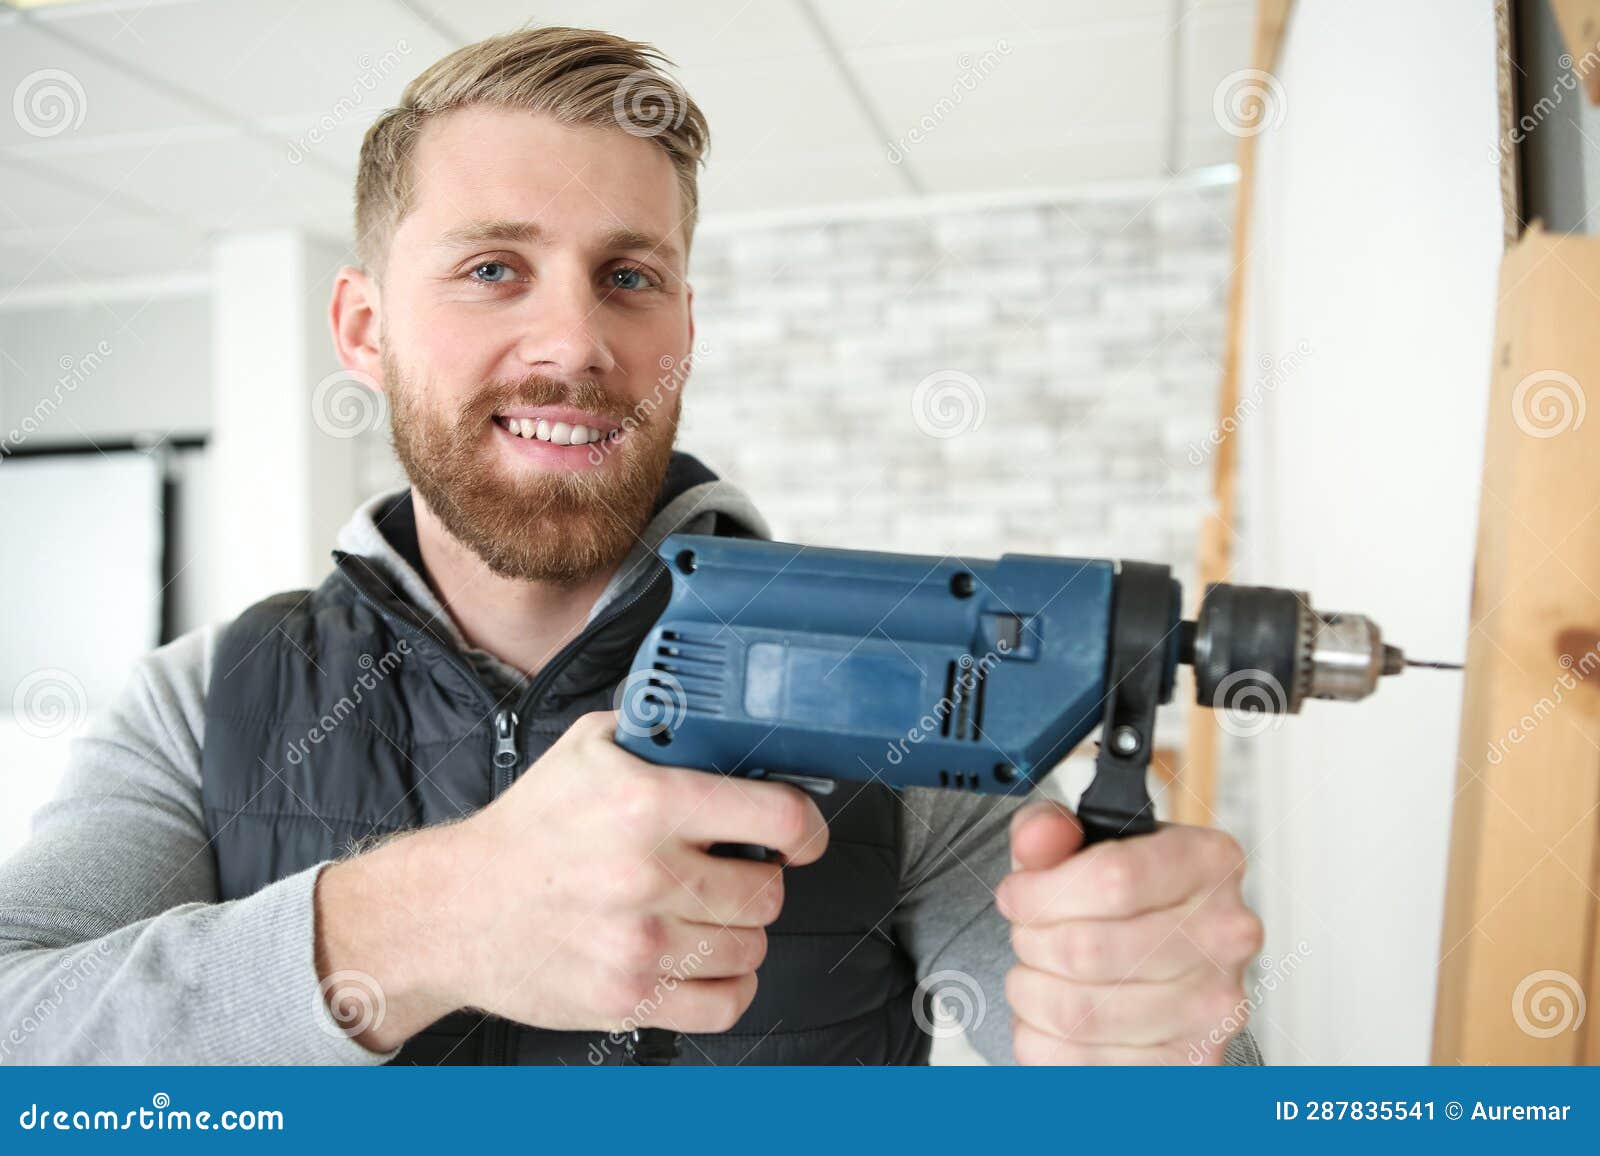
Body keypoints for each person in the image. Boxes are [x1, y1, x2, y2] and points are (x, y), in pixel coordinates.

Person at [0, 26, 1262, 1066]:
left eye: (629, 277)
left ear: (685, 325)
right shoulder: (197, 702)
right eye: (493, 267)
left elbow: (1126, 1066)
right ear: (363, 327)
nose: (575, 345)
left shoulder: (889, 686)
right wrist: (417, 924)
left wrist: (1155, 1052)